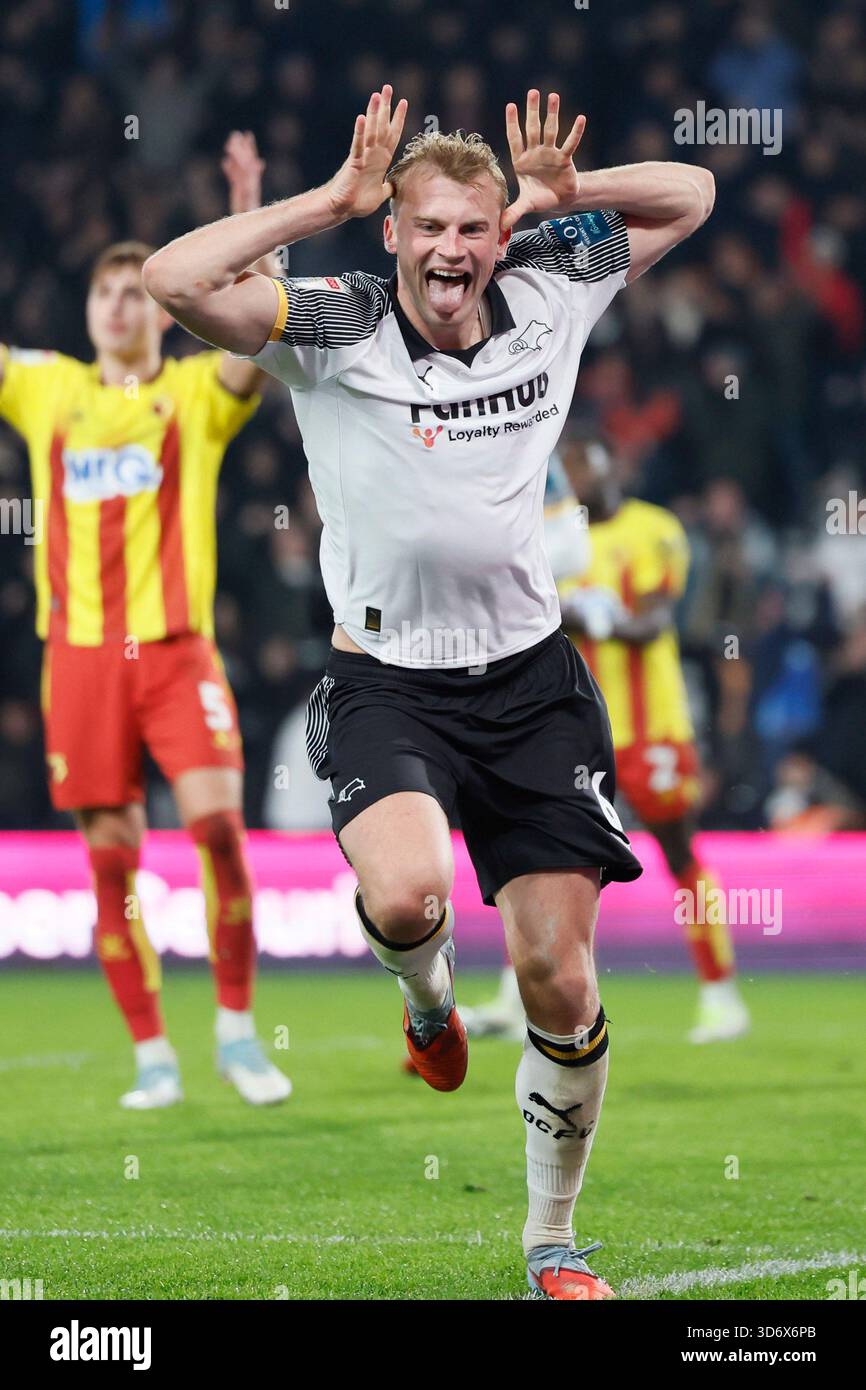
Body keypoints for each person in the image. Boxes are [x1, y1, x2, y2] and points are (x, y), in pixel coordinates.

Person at [143, 86, 715, 1300]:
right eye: (428, 228)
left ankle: (550, 1240)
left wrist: (570, 194)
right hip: (385, 683)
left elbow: (696, 193)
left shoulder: (554, 283)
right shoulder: (332, 320)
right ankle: (425, 1003)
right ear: (393, 236)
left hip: (530, 687)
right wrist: (326, 201)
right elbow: (176, 280)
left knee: (560, 979)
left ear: (497, 234)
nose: (453, 251)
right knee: (404, 894)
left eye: (475, 227)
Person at [0, 134, 290, 1110]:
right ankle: (152, 1052)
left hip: (175, 653)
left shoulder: (194, 394)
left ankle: (240, 1034)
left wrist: (250, 216)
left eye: (136, 291)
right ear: (87, 312)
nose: (121, 303)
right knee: (111, 855)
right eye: (106, 292)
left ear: (161, 313)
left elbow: (261, 332)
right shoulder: (47, 387)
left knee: (217, 830)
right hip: (78, 659)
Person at [461, 427, 750, 1045]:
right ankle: (519, 1001)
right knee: (548, 857)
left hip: (653, 725)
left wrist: (603, 613)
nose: (586, 485)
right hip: (571, 725)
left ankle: (721, 993)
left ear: (615, 469)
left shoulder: (656, 529)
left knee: (677, 849)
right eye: (574, 476)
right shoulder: (547, 539)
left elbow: (653, 622)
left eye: (592, 471)